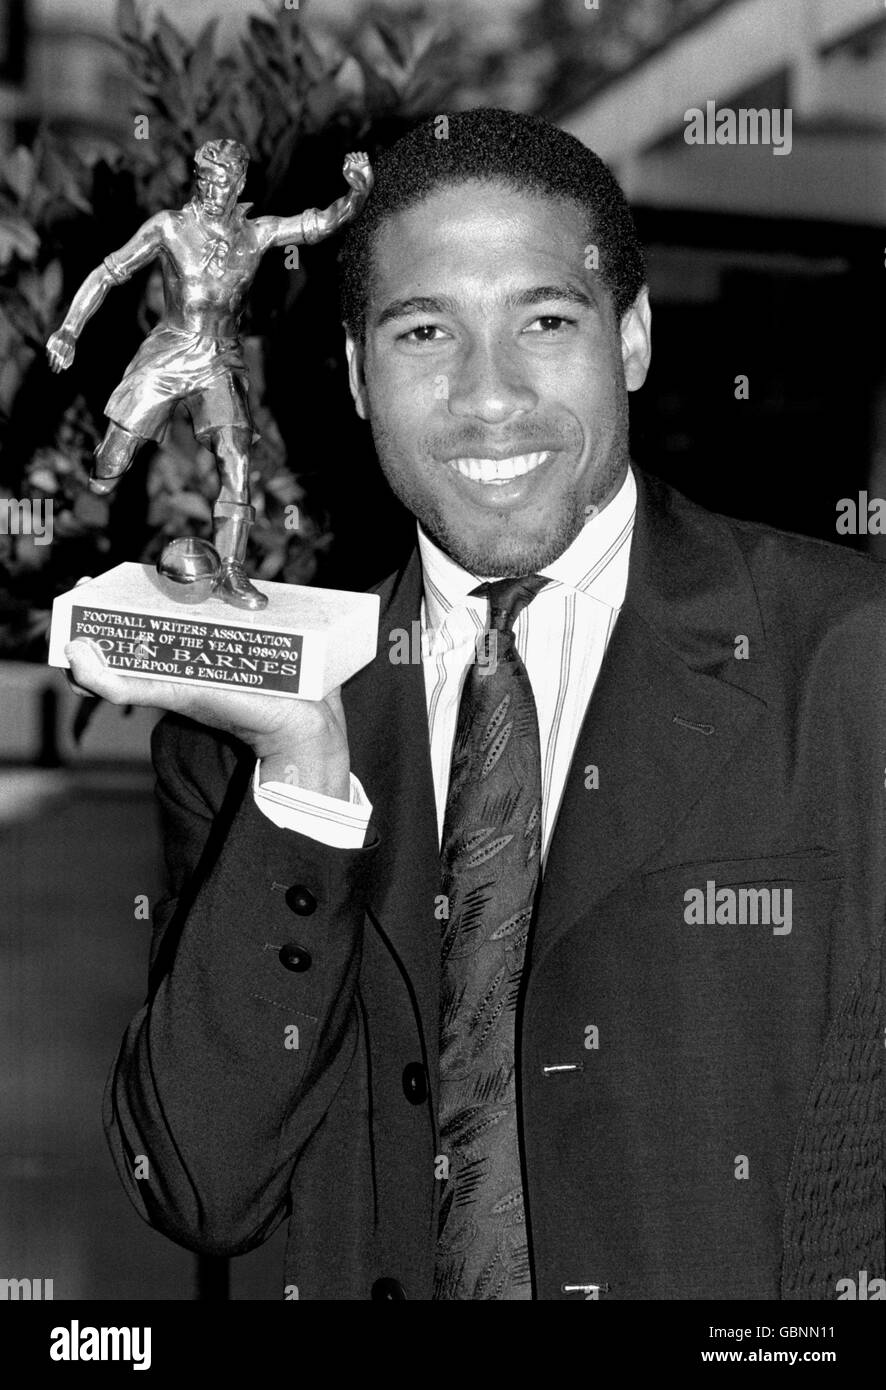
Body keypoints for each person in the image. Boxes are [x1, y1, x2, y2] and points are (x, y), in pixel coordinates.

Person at [68, 108, 886, 1301]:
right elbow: (201, 1184)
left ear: (635, 338)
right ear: (355, 375)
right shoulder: (259, 723)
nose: (488, 396)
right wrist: (301, 776)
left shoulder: (846, 655)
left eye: (544, 322)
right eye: (423, 332)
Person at [47, 138, 373, 610]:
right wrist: (69, 329)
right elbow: (107, 273)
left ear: (239, 183)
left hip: (219, 358)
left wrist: (358, 194)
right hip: (169, 352)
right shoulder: (170, 227)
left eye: (222, 183)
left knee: (236, 456)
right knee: (110, 468)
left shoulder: (255, 234)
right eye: (204, 181)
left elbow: (319, 225)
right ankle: (90, 491)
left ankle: (231, 571)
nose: (212, 192)